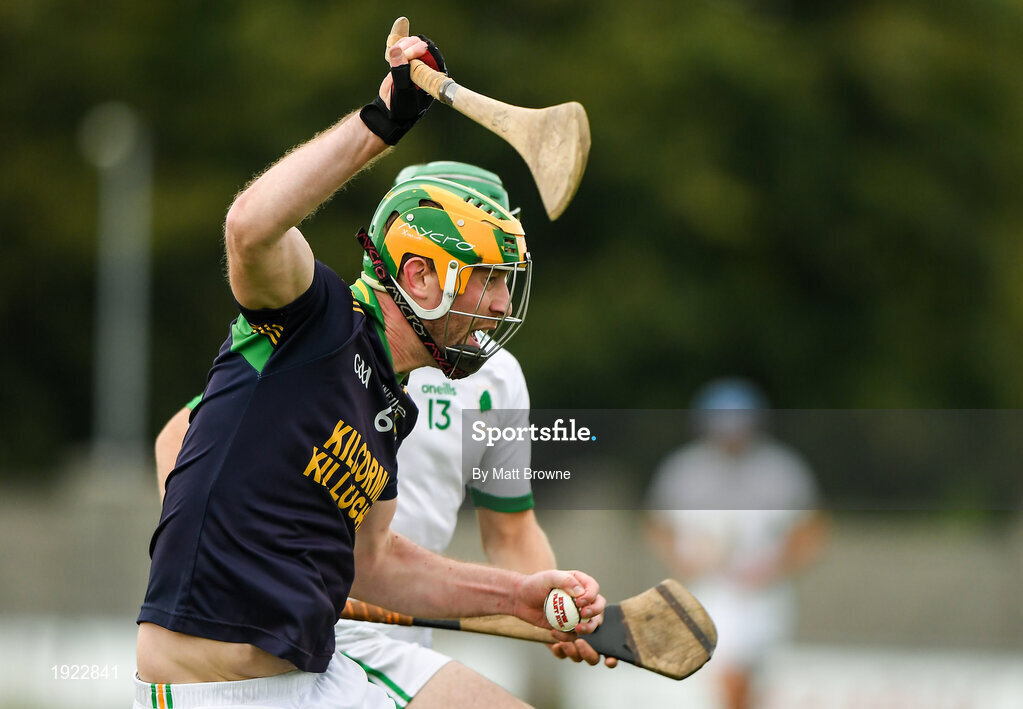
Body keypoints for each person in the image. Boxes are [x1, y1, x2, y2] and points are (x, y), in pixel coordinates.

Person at [135, 29, 606, 709]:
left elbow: (375, 561)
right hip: (219, 690)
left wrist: (517, 595)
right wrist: (380, 124)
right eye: (487, 280)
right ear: (418, 274)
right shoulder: (308, 317)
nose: (503, 305)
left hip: (316, 676)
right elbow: (249, 226)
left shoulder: (391, 403)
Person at [645, 378, 827, 709]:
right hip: (709, 590)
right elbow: (658, 525)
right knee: (724, 672)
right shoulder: (685, 470)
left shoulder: (780, 470)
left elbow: (811, 530)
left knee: (750, 681)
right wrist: (684, 562)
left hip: (763, 594)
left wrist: (779, 568)